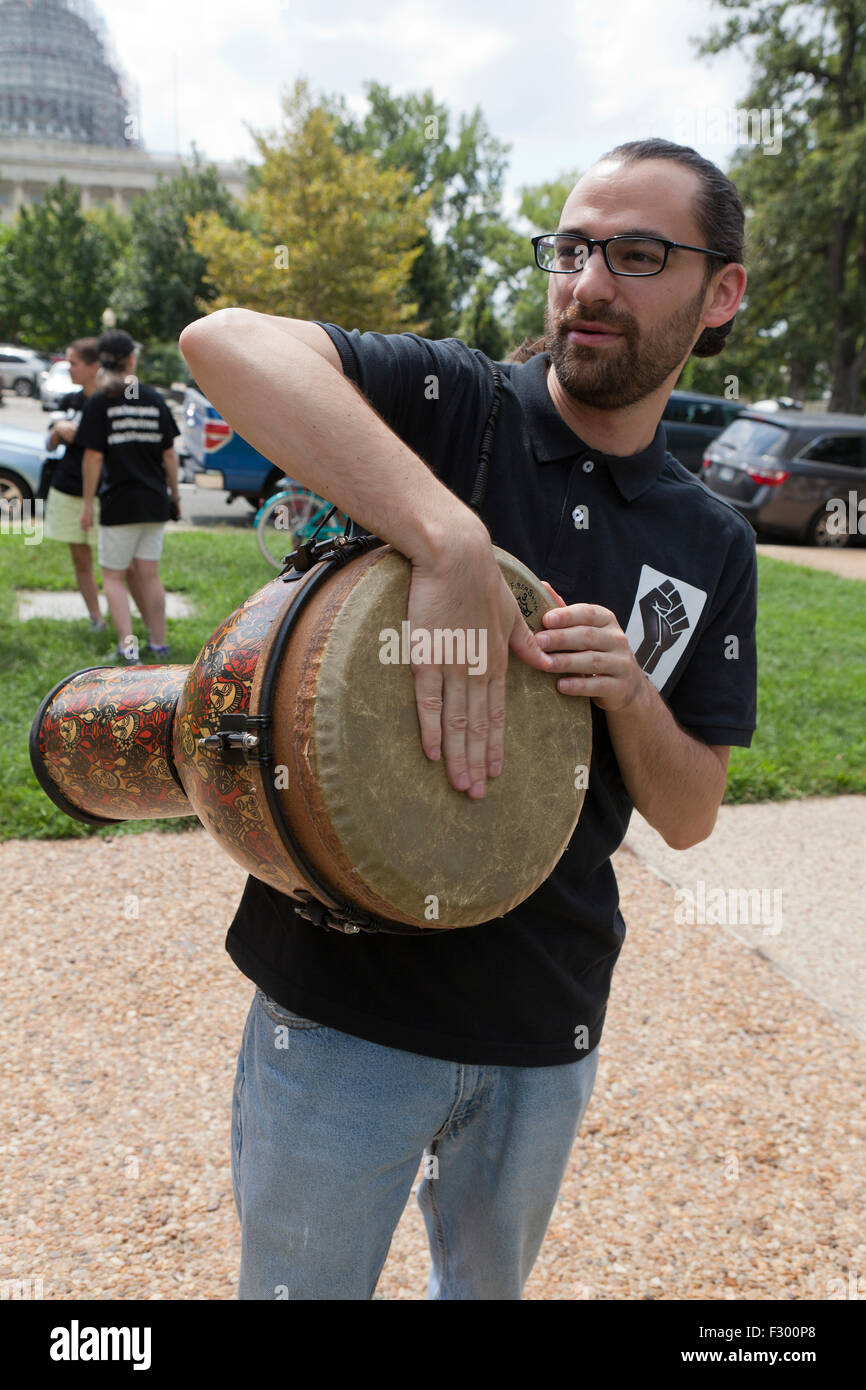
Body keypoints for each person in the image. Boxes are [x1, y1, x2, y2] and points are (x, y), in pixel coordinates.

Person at [178, 137, 757, 1301]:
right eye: (572, 247)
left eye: (637, 254)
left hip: (545, 1019)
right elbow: (220, 342)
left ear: (721, 292)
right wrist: (444, 538)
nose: (588, 282)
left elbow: (690, 814)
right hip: (341, 1011)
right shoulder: (455, 407)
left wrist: (629, 694)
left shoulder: (712, 542)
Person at [77, 330, 181, 662]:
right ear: (132, 360)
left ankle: (129, 648)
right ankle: (159, 643)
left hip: (118, 503)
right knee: (149, 575)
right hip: (154, 502)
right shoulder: (153, 399)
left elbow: (93, 458)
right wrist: (175, 495)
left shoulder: (100, 403)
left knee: (114, 576)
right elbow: (169, 455)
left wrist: (86, 505)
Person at [42, 338, 151, 632]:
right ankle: (97, 619)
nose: (68, 368)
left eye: (73, 363)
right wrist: (57, 431)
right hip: (68, 489)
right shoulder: (70, 401)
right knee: (81, 560)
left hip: (107, 493)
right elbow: (49, 446)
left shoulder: (112, 401)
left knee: (125, 566)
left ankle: (142, 623)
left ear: (94, 366)